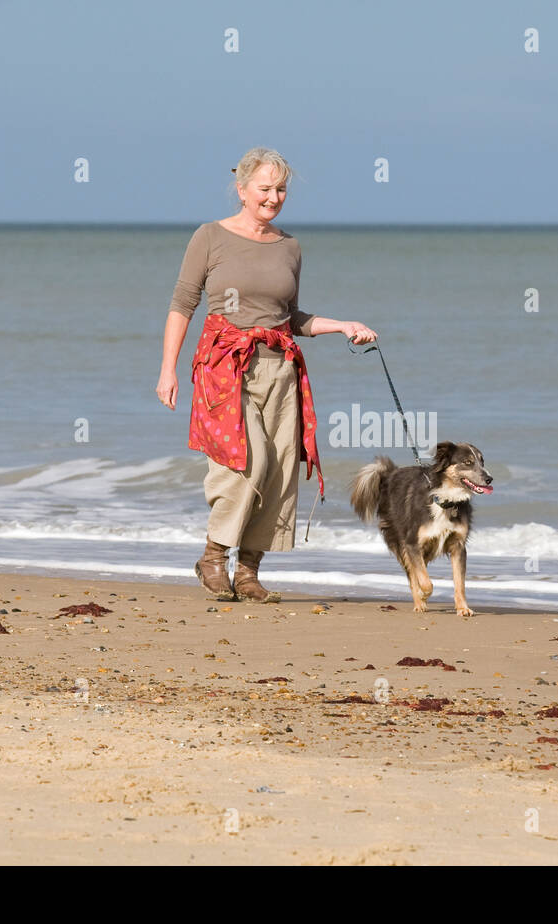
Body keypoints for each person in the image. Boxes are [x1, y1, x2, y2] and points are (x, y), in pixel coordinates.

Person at [156, 147, 377, 602]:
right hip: (224, 365)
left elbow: (289, 317)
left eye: (281, 189)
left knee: (278, 470)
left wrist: (342, 325)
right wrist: (168, 371)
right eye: (264, 188)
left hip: (281, 367)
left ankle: (249, 572)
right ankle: (214, 556)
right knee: (245, 458)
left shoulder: (289, 247)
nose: (273, 197)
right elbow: (182, 305)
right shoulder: (210, 237)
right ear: (242, 190)